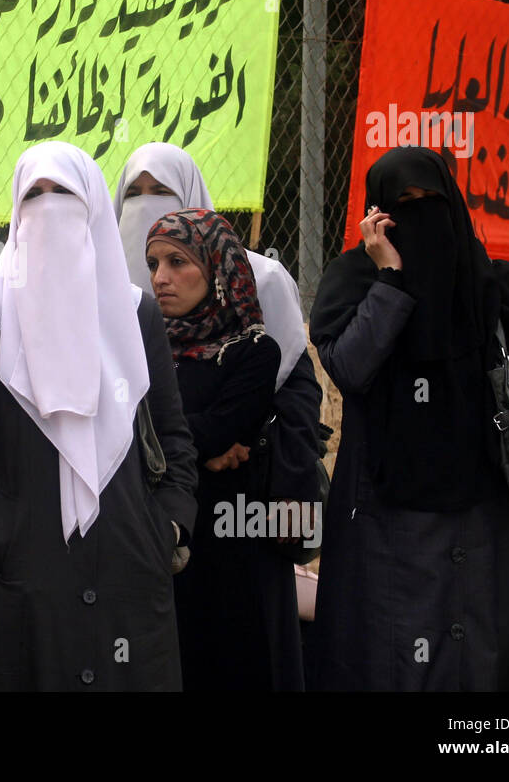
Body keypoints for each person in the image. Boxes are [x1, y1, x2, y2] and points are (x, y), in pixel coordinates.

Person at [308, 146, 509, 691]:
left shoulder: (494, 284)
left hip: (483, 529)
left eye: (431, 201)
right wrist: (390, 281)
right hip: (382, 528)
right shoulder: (353, 279)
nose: (419, 215)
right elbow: (349, 367)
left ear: (454, 204)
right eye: (402, 205)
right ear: (376, 215)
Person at [0, 140, 198, 691]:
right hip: (21, 577)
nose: (49, 207)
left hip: (129, 565)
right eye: (35, 195)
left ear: (94, 205)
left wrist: (165, 525)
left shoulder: (133, 311)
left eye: (65, 194)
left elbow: (173, 436)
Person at [146, 208, 305, 691]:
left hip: (224, 544)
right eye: (152, 264)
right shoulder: (139, 343)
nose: (160, 278)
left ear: (218, 268)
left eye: (177, 262)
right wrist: (190, 446)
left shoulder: (254, 351)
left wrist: (163, 441)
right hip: (151, 532)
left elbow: (217, 430)